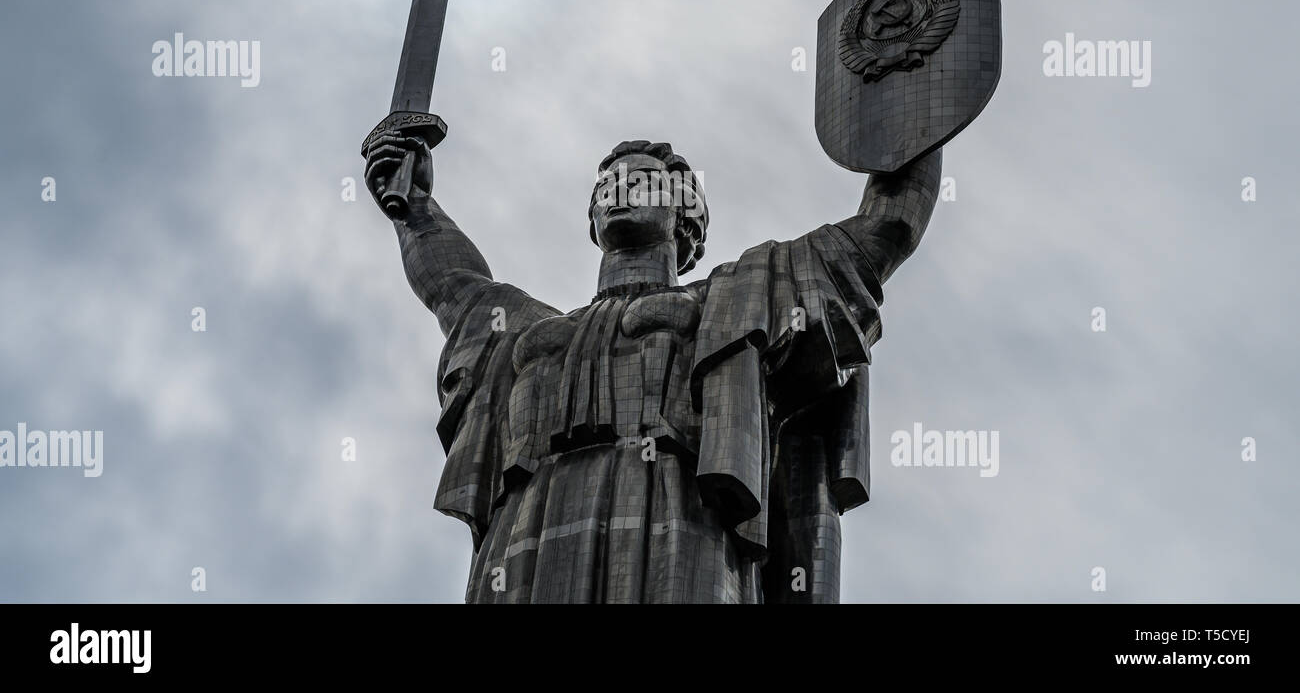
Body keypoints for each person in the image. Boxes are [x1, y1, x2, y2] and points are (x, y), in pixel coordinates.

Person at [364, 135, 940, 603]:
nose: (622, 189)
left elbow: (883, 231)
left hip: (676, 511)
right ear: (592, 213)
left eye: (643, 180)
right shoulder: (524, 328)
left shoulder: (735, 297)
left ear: (685, 212)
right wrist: (415, 209)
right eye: (609, 183)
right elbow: (454, 288)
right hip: (528, 524)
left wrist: (911, 110)